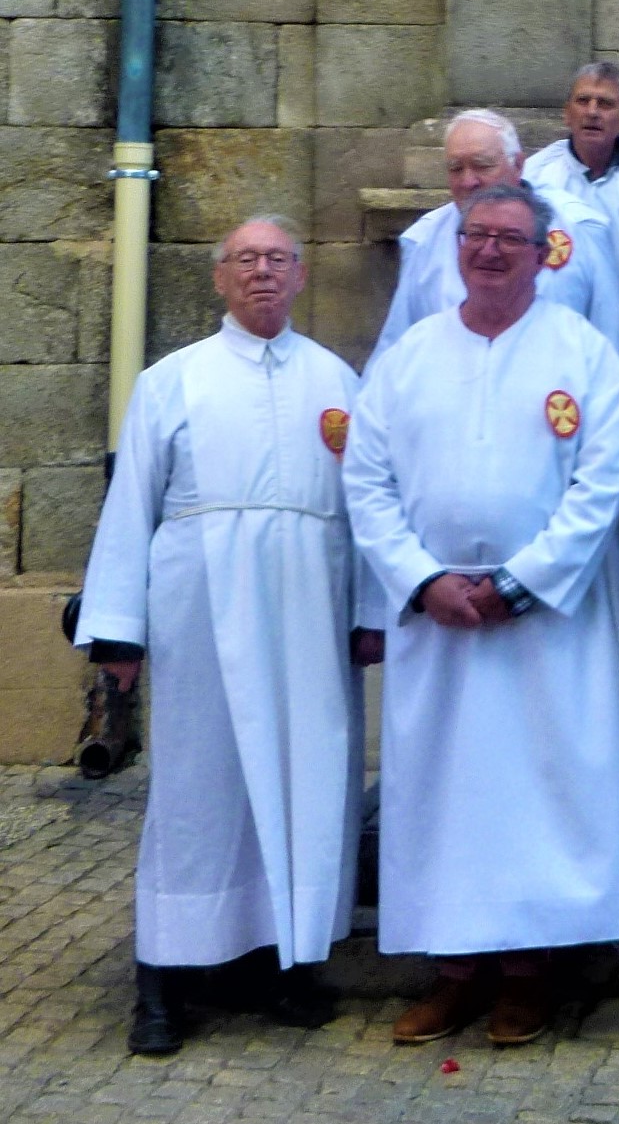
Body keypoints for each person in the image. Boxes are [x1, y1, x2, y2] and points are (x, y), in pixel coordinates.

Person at [345, 183, 619, 1047]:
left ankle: (529, 974)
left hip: (545, 620)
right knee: (441, 796)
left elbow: (599, 487)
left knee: (540, 793)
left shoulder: (582, 352)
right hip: (436, 619)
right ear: (456, 245)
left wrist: (521, 581)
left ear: (544, 252)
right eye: (478, 235)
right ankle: (453, 972)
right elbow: (366, 479)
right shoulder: (409, 356)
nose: (491, 251)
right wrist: (420, 578)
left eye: (512, 239)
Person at [75, 217, 367, 1056]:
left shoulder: (335, 378)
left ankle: (283, 960)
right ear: (219, 279)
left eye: (278, 260)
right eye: (247, 260)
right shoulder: (174, 380)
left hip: (311, 606)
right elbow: (131, 503)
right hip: (200, 605)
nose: (263, 274)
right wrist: (117, 634)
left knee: (304, 777)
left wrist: (369, 612)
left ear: (302, 276)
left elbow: (365, 506)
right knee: (199, 786)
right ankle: (165, 978)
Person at [374, 109, 619, 358]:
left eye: (482, 166)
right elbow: (395, 350)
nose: (468, 181)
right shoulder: (423, 240)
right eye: (455, 168)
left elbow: (609, 335)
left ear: (518, 165)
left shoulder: (580, 226)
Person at [523, 61, 619, 272]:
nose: (592, 112)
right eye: (583, 101)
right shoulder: (534, 176)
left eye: (605, 103)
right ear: (567, 113)